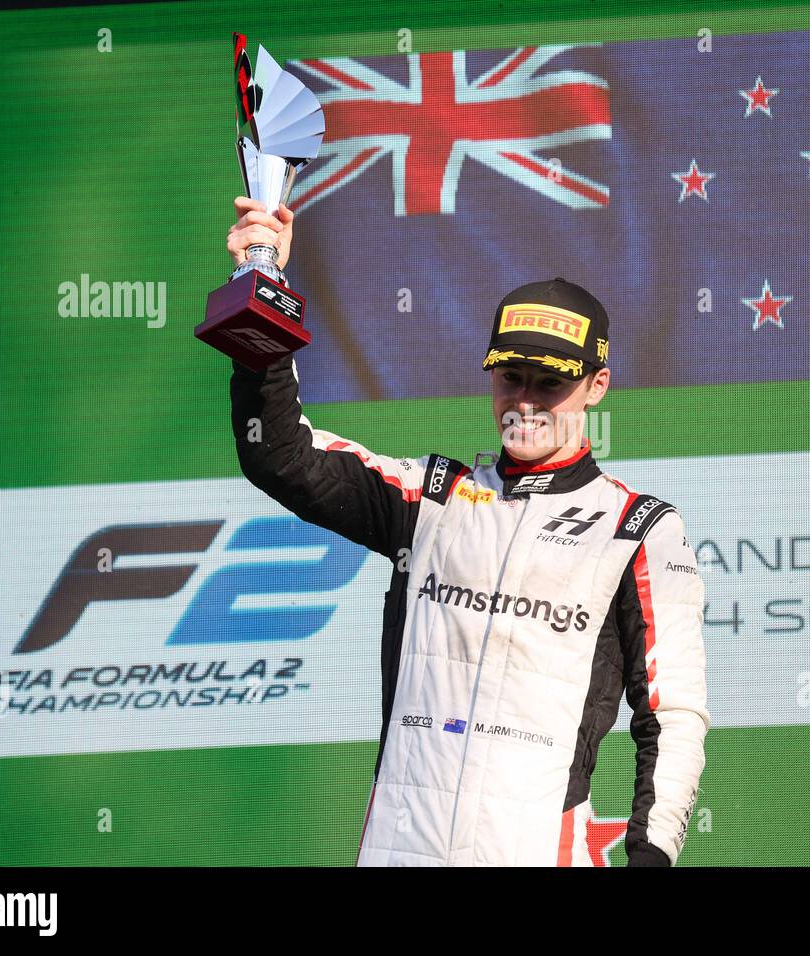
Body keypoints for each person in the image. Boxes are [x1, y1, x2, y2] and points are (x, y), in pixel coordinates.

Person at [225, 196, 709, 866]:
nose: (528, 399)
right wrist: (263, 293)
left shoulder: (638, 528)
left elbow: (672, 715)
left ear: (597, 386)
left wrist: (650, 854)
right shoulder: (431, 497)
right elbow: (279, 454)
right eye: (512, 377)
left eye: (552, 382)